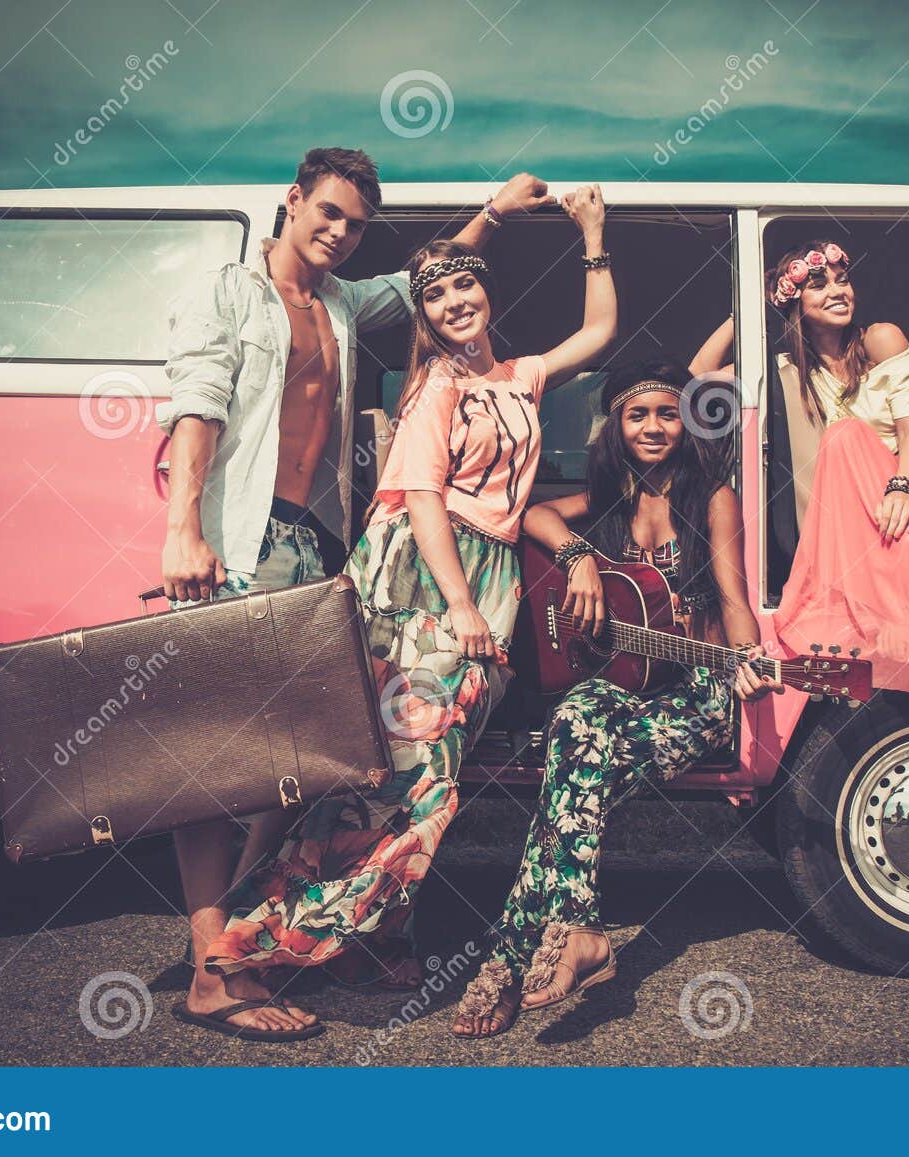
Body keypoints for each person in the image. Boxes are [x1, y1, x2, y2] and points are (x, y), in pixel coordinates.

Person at [196, 185, 618, 1032]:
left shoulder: (519, 376)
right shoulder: (435, 388)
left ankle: (367, 940)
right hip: (424, 579)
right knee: (402, 773)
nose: (456, 301)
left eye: (466, 287)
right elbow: (423, 497)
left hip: (485, 579)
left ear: (487, 295)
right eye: (435, 294)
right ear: (424, 313)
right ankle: (245, 946)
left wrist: (593, 235)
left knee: (427, 771)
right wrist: (460, 605)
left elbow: (600, 332)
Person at [451, 361, 784, 1040]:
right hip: (622, 694)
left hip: (694, 693)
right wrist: (577, 557)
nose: (654, 427)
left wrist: (745, 662)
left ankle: (507, 960)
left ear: (685, 421)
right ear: (617, 426)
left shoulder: (710, 496)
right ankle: (578, 930)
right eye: (639, 415)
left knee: (568, 783)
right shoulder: (606, 498)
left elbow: (732, 600)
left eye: (667, 413)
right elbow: (535, 513)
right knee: (575, 718)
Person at [691, 241, 909, 794]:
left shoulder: (880, 339)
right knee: (847, 448)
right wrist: (752, 304)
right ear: (793, 300)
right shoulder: (785, 371)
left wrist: (904, 487)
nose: (837, 290)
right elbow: (698, 374)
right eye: (819, 284)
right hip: (886, 520)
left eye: (843, 279)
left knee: (846, 438)